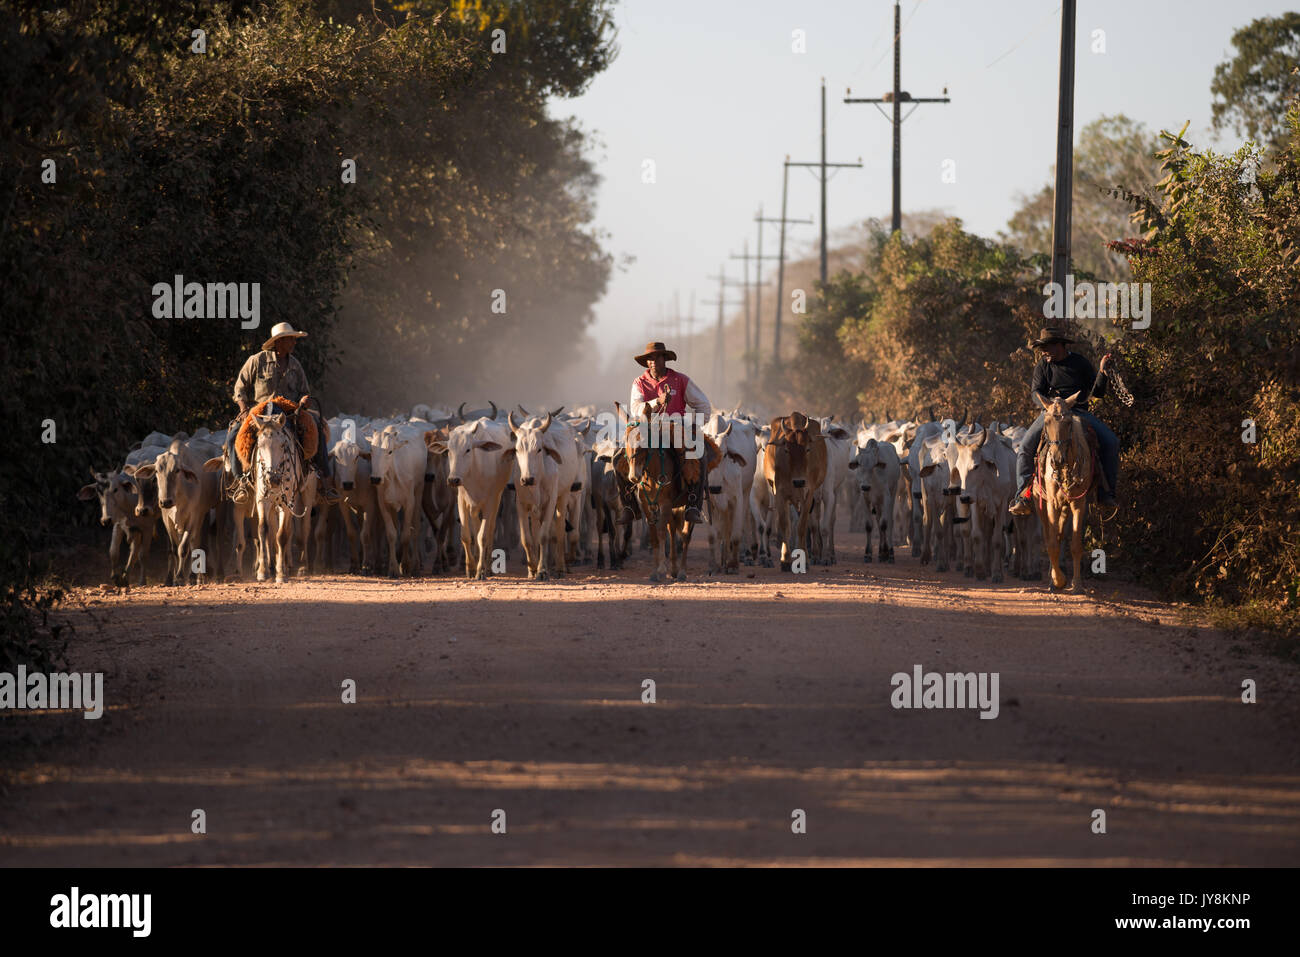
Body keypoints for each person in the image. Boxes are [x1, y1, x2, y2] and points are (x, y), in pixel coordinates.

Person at [1009, 328, 1118, 516]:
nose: (1043, 351)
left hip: (1077, 412)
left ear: (1059, 345)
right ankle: (1023, 496)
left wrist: (1102, 372)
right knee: (1025, 447)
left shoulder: (1080, 363)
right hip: (1050, 414)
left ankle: (1105, 493)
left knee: (1111, 442)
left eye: (1046, 347)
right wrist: (1049, 405)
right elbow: (1036, 393)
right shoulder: (1042, 366)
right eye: (1041, 348)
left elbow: (1097, 392)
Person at [231, 321, 335, 496]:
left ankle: (323, 481)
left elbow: (304, 391)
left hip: (290, 413)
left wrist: (304, 400)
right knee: (233, 435)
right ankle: (240, 480)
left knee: (317, 427)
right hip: (261, 414)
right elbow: (239, 388)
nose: (294, 343)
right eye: (290, 339)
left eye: (294, 340)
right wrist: (243, 409)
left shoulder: (295, 365)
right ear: (278, 342)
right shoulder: (257, 361)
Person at [628, 341, 712, 524]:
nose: (653, 361)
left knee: (699, 454)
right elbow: (635, 408)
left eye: (657, 357)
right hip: (647, 428)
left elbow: (703, 404)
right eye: (649, 358)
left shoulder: (680, 380)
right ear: (646, 362)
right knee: (619, 455)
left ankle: (692, 504)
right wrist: (657, 402)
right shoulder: (639, 383)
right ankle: (629, 506)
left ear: (664, 359)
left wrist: (693, 426)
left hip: (676, 427)